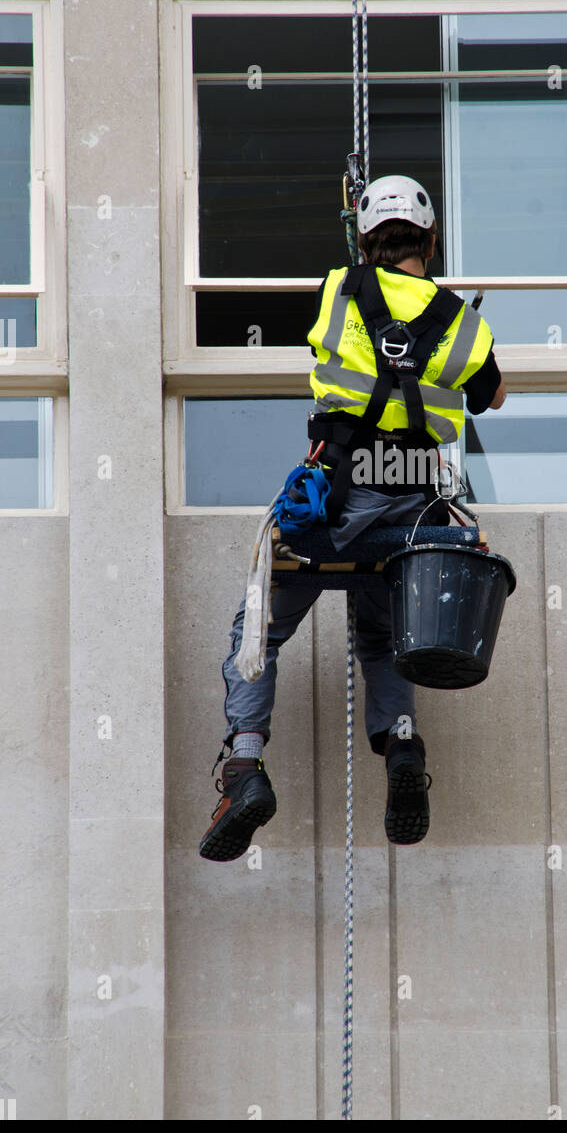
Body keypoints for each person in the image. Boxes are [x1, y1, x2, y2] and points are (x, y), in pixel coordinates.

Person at [199, 175, 506, 861]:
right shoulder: (463, 319)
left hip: (338, 500)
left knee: (259, 628)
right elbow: (493, 396)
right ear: (430, 239)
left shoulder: (339, 289)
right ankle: (402, 748)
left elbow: (330, 339)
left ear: (364, 239)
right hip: (416, 506)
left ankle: (244, 768)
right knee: (380, 635)